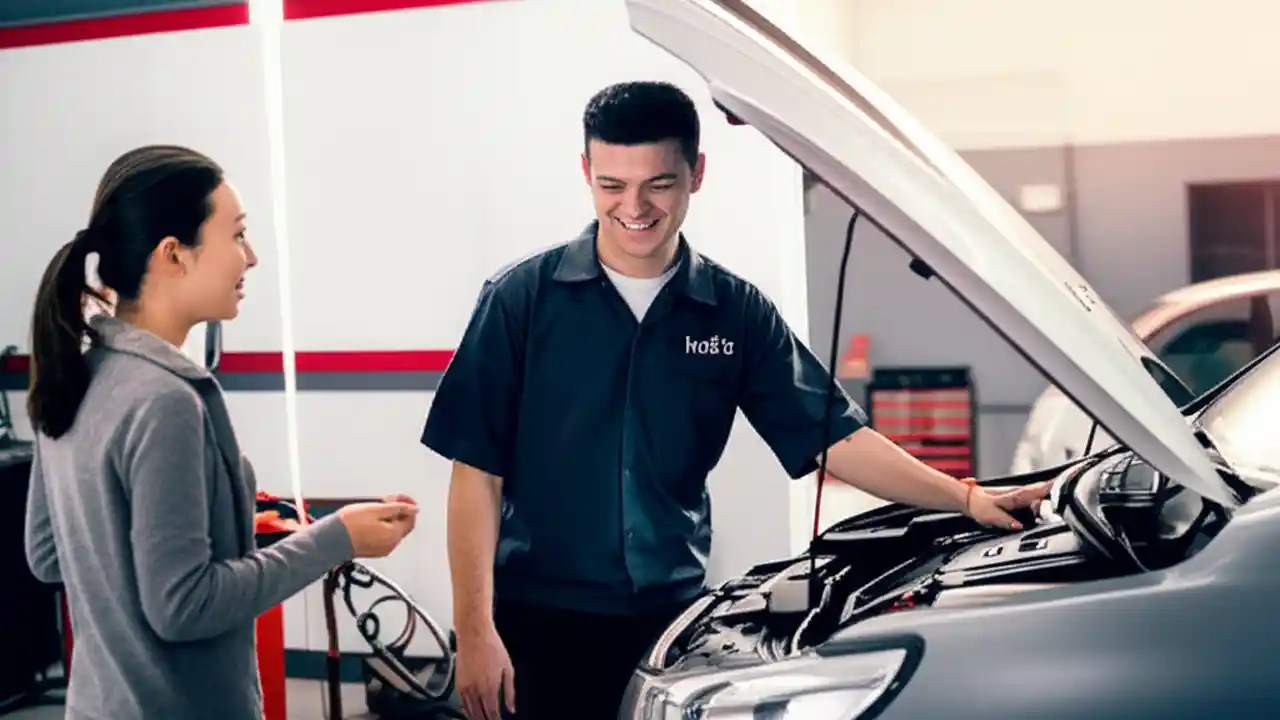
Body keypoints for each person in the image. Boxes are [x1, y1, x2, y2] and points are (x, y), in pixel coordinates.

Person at [420, 81, 1050, 720]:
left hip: (669, 623)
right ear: (586, 172)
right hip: (536, 625)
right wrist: (474, 630)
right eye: (611, 185)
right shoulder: (521, 302)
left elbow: (837, 438)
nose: (633, 206)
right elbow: (476, 473)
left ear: (696, 174)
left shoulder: (735, 313)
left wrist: (965, 498)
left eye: (658, 184)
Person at [22, 145, 420, 720]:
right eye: (236, 235)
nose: (251, 257)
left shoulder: (78, 373)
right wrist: (336, 539)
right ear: (173, 255)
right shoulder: (165, 400)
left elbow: (49, 555)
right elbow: (183, 606)